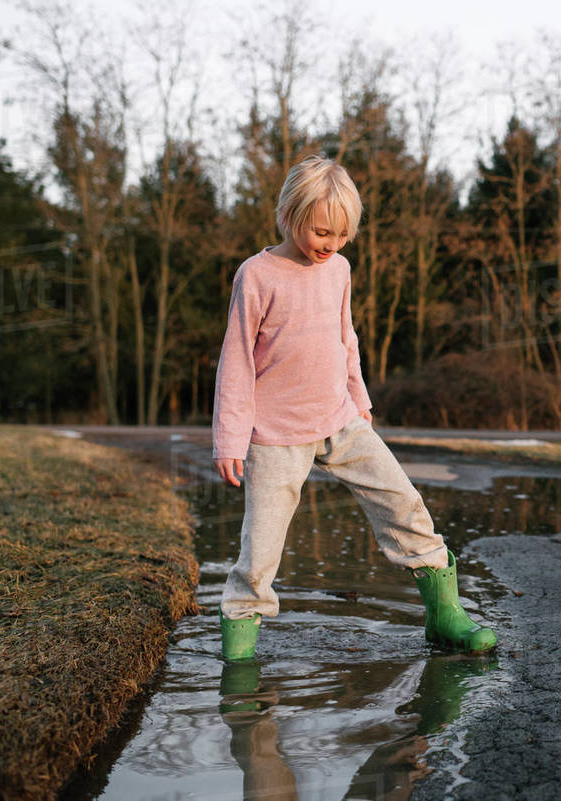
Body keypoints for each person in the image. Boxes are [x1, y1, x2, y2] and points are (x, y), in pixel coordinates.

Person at [211, 154, 495, 661]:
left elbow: (347, 338)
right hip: (275, 433)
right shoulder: (256, 275)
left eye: (342, 236)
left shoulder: (339, 269)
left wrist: (360, 399)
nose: (332, 245)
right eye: (321, 232)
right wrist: (230, 438)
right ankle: (239, 653)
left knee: (402, 501)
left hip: (341, 418)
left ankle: (445, 617)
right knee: (261, 548)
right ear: (290, 214)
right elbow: (236, 360)